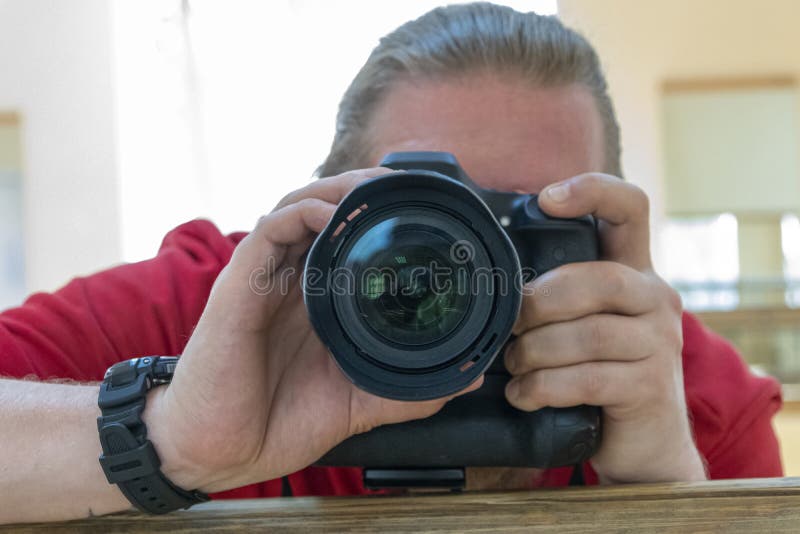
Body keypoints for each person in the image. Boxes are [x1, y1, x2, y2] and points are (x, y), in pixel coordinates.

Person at [0, 3, 783, 524]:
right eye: (423, 215)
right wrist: (168, 431)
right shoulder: (224, 315)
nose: (465, 269)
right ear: (326, 212)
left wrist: (664, 493)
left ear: (601, 234)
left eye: (522, 226)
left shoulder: (674, 391)